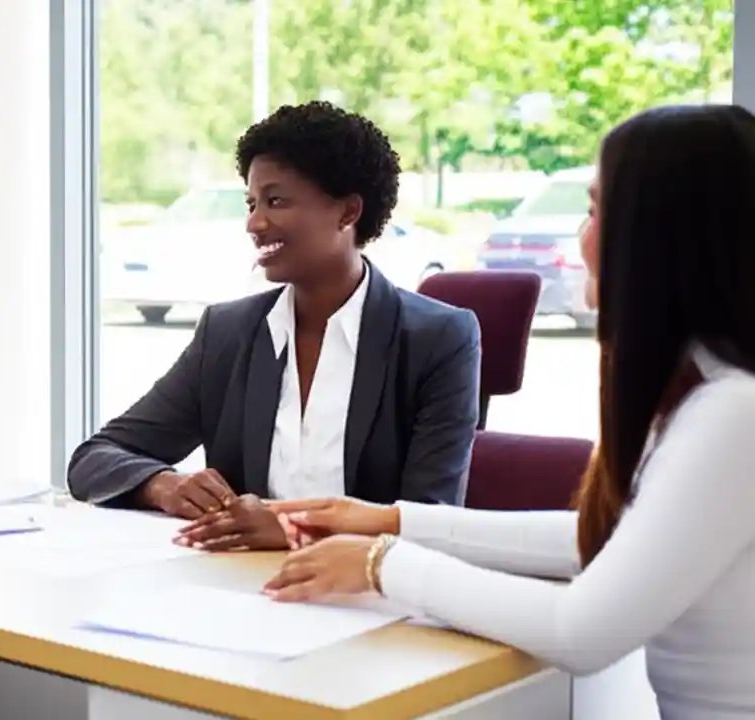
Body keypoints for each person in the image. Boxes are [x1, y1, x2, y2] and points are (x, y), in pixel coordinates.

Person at [262, 104, 755, 719]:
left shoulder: (732, 414)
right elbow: (603, 540)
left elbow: (581, 632)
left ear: (661, 237)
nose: (582, 236)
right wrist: (388, 522)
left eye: (597, 210)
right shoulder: (709, 398)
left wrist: (383, 563)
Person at [67, 101, 481, 551]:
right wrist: (162, 485)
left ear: (347, 212)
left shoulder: (438, 339)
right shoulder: (229, 333)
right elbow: (93, 459)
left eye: (276, 200)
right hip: (242, 588)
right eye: (252, 203)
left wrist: (294, 532)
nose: (254, 222)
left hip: (367, 594)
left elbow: (431, 519)